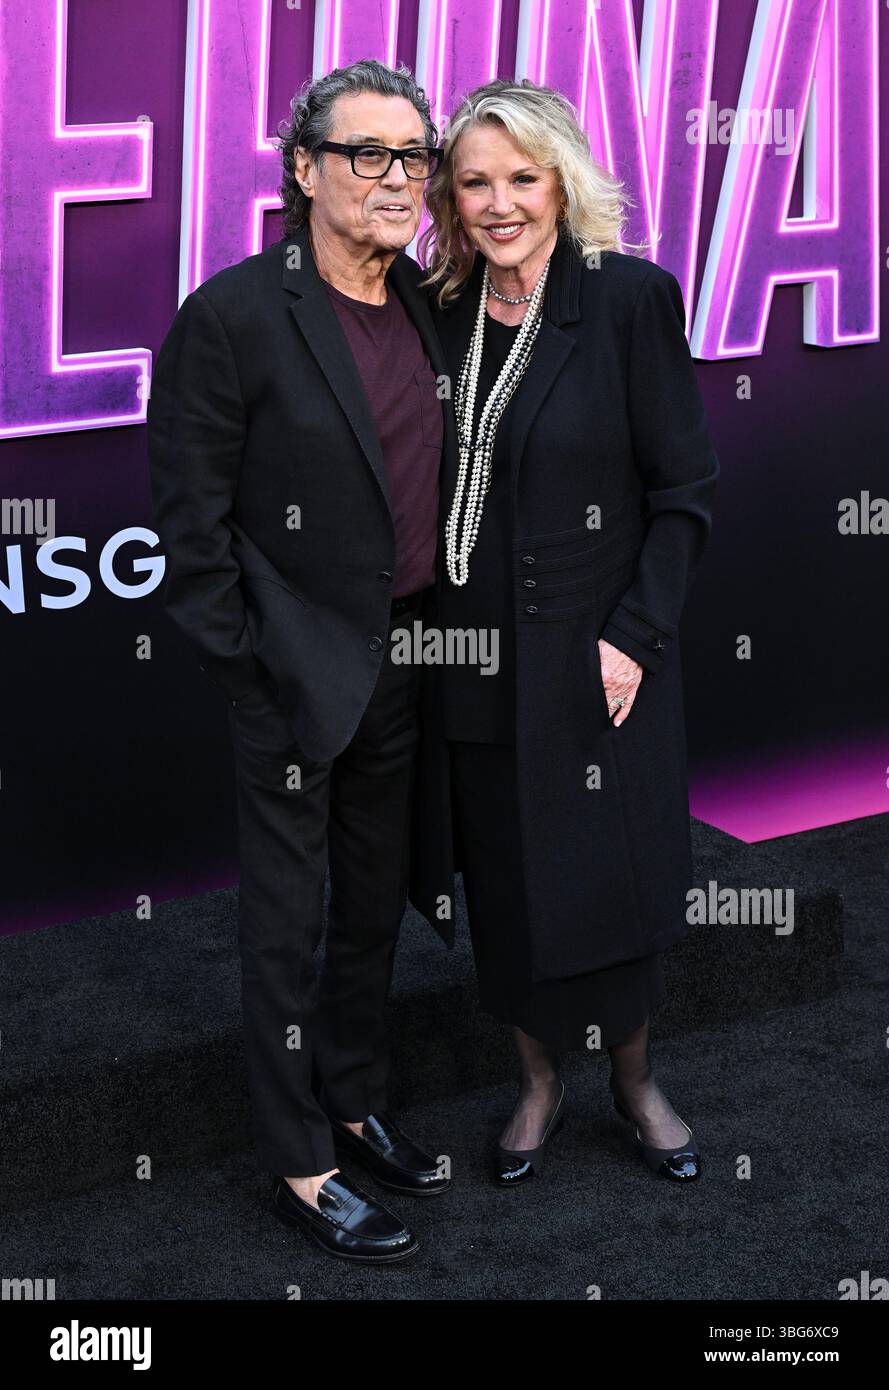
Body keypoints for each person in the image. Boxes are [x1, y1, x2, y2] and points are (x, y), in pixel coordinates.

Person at [147, 60, 458, 1262]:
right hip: (293, 676)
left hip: (412, 656)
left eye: (412, 156)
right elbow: (192, 526)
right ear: (303, 167)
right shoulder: (232, 315)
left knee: (372, 905)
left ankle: (355, 1094)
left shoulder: (427, 304)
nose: (397, 179)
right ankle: (300, 1158)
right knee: (289, 922)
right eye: (367, 154)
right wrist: (255, 669)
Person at [411, 78, 719, 1184]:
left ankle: (636, 1086)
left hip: (600, 659)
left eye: (521, 178)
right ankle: (536, 1083)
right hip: (474, 662)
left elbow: (683, 491)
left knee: (609, 880)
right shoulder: (435, 309)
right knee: (507, 883)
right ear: (449, 195)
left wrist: (633, 635)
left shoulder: (627, 299)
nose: (499, 202)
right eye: (475, 181)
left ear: (561, 181)